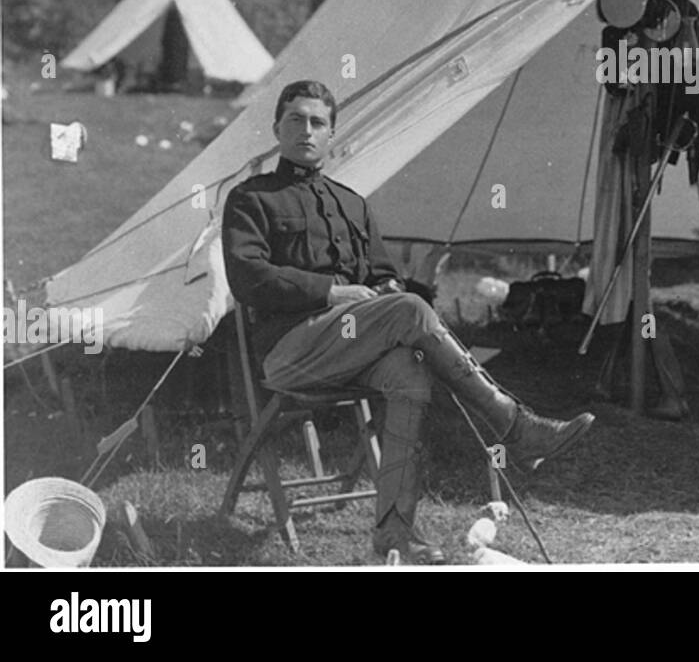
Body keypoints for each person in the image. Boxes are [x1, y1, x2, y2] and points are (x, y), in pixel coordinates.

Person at [222, 79, 595, 563]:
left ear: (332, 135)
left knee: (410, 373)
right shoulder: (252, 199)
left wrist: (384, 290)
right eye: (295, 120)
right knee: (411, 309)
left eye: (318, 123)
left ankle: (394, 535)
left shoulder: (352, 203)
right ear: (276, 129)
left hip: (354, 347)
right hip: (291, 349)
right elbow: (248, 277)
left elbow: (383, 275)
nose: (306, 131)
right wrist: (333, 292)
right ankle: (514, 425)